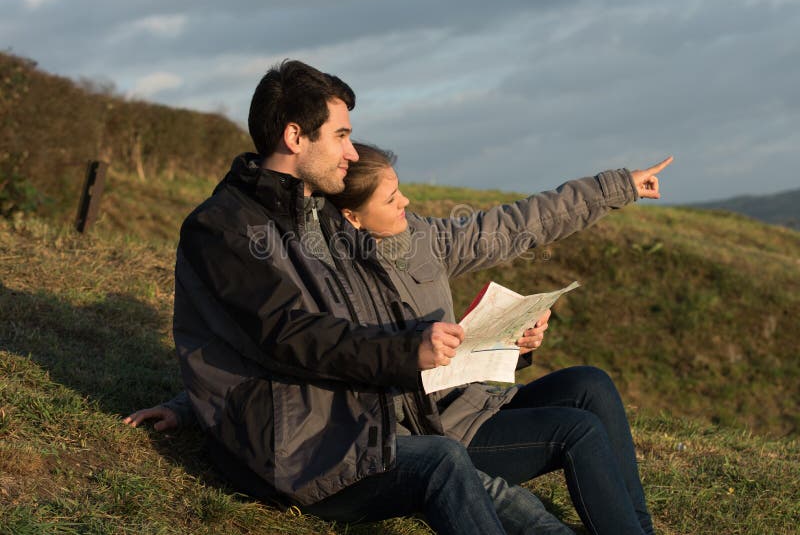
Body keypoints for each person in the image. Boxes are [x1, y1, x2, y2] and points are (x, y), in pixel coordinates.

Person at [132, 127, 670, 533]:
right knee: (576, 431)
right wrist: (186, 407)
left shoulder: (423, 241)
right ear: (352, 218)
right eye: (391, 199)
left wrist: (615, 188)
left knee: (590, 384)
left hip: (469, 400)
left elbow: (515, 224)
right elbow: (282, 352)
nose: (407, 204)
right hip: (431, 428)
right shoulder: (324, 276)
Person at [168, 59, 563, 535]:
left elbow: (374, 313)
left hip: (350, 420)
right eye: (341, 136)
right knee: (444, 463)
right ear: (295, 137)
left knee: (515, 483)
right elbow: (285, 333)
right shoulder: (222, 227)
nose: (352, 153)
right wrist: (406, 349)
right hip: (292, 447)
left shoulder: (320, 217)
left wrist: (483, 342)